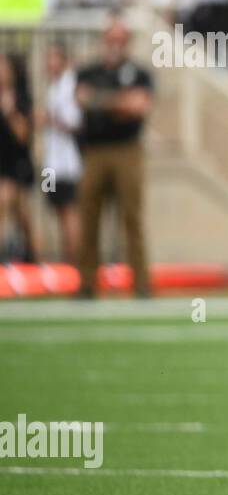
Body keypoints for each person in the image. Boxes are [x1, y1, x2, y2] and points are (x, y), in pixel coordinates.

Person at [75, 17, 153, 298]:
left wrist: (101, 101)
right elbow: (82, 99)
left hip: (127, 150)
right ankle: (86, 284)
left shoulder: (139, 73)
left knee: (132, 218)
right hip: (95, 151)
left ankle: (142, 285)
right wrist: (120, 101)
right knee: (89, 218)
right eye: (111, 38)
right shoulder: (89, 71)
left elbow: (139, 105)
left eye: (121, 39)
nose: (115, 45)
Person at [39, 41, 82, 261]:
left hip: (67, 163)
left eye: (54, 58)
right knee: (57, 209)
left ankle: (74, 261)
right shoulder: (53, 87)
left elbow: (75, 122)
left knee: (69, 210)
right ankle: (67, 259)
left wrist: (50, 119)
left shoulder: (69, 85)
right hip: (52, 164)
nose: (49, 63)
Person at [0, 52, 36, 261]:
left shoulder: (21, 97)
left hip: (16, 165)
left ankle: (37, 260)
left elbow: (23, 136)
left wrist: (10, 112)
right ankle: (36, 258)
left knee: (4, 201)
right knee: (22, 217)